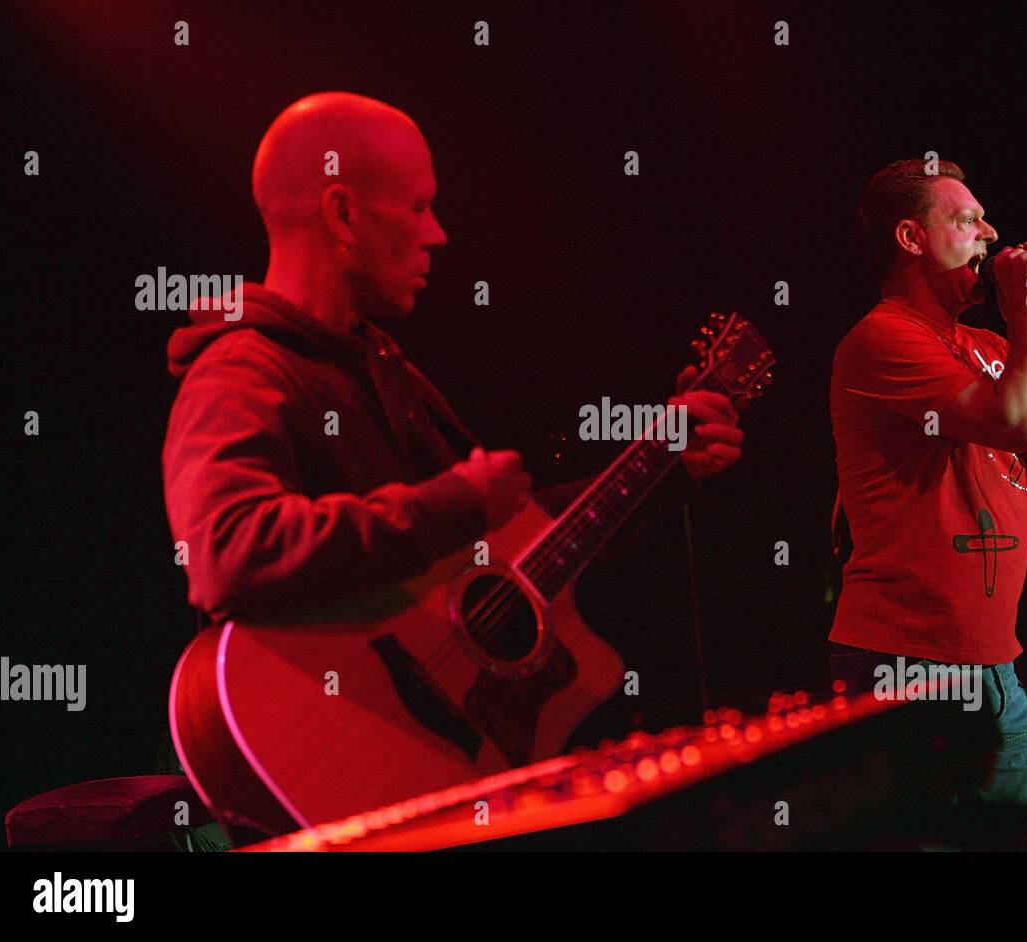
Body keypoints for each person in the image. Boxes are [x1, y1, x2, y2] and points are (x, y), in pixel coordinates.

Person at [158, 92, 744, 847]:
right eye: (420, 206)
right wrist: (451, 503)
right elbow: (226, 552)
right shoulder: (243, 371)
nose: (438, 234)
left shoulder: (384, 370)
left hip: (436, 767)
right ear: (343, 214)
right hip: (341, 765)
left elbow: (505, 554)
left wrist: (664, 466)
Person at [829, 157, 1027, 850]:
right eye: (966, 219)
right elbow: (1020, 424)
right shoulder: (882, 338)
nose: (990, 231)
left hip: (990, 665)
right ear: (911, 238)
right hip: (910, 665)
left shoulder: (987, 346)